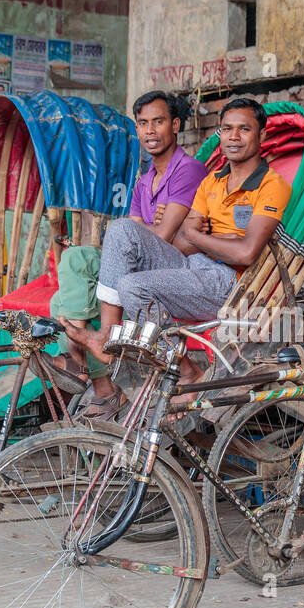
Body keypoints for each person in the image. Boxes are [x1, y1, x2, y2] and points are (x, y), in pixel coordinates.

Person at [61, 96, 289, 392]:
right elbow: (181, 240)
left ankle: (185, 369)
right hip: (192, 265)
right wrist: (219, 239)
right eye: (227, 129)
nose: (234, 136)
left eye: (244, 129)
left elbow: (245, 253)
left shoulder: (272, 185)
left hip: (229, 283)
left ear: (262, 135)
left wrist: (200, 237)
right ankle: (108, 333)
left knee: (133, 286)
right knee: (121, 230)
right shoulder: (213, 182)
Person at [50, 90, 208, 417]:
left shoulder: (188, 170)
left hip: (177, 266)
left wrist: (149, 228)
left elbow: (160, 238)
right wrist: (151, 227)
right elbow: (140, 233)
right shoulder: (143, 183)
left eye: (158, 122)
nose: (150, 130)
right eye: (143, 123)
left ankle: (96, 357)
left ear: (175, 125)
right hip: (143, 260)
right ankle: (93, 375)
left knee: (114, 237)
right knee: (69, 278)